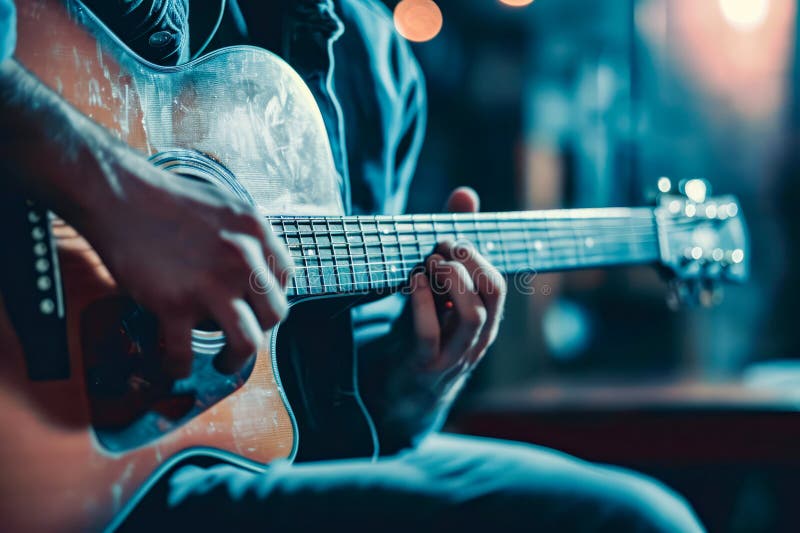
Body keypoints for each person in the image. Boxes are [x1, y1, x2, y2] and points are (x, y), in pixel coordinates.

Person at [0, 0, 705, 531]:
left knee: (644, 515)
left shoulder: (381, 65)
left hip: (188, 453)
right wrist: (112, 190)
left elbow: (333, 412)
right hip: (73, 472)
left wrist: (420, 371)